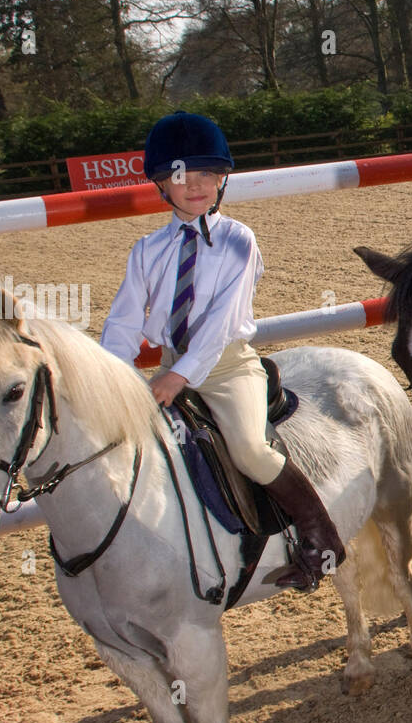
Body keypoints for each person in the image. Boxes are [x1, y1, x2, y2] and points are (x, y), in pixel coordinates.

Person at [100, 110, 343, 589]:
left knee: (251, 450)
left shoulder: (237, 240)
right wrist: (110, 376)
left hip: (228, 367)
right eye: (181, 176)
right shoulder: (146, 251)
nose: (195, 185)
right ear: (160, 185)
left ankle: (322, 540)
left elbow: (221, 322)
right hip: (170, 366)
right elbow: (123, 321)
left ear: (222, 181)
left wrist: (180, 376)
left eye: (207, 175)